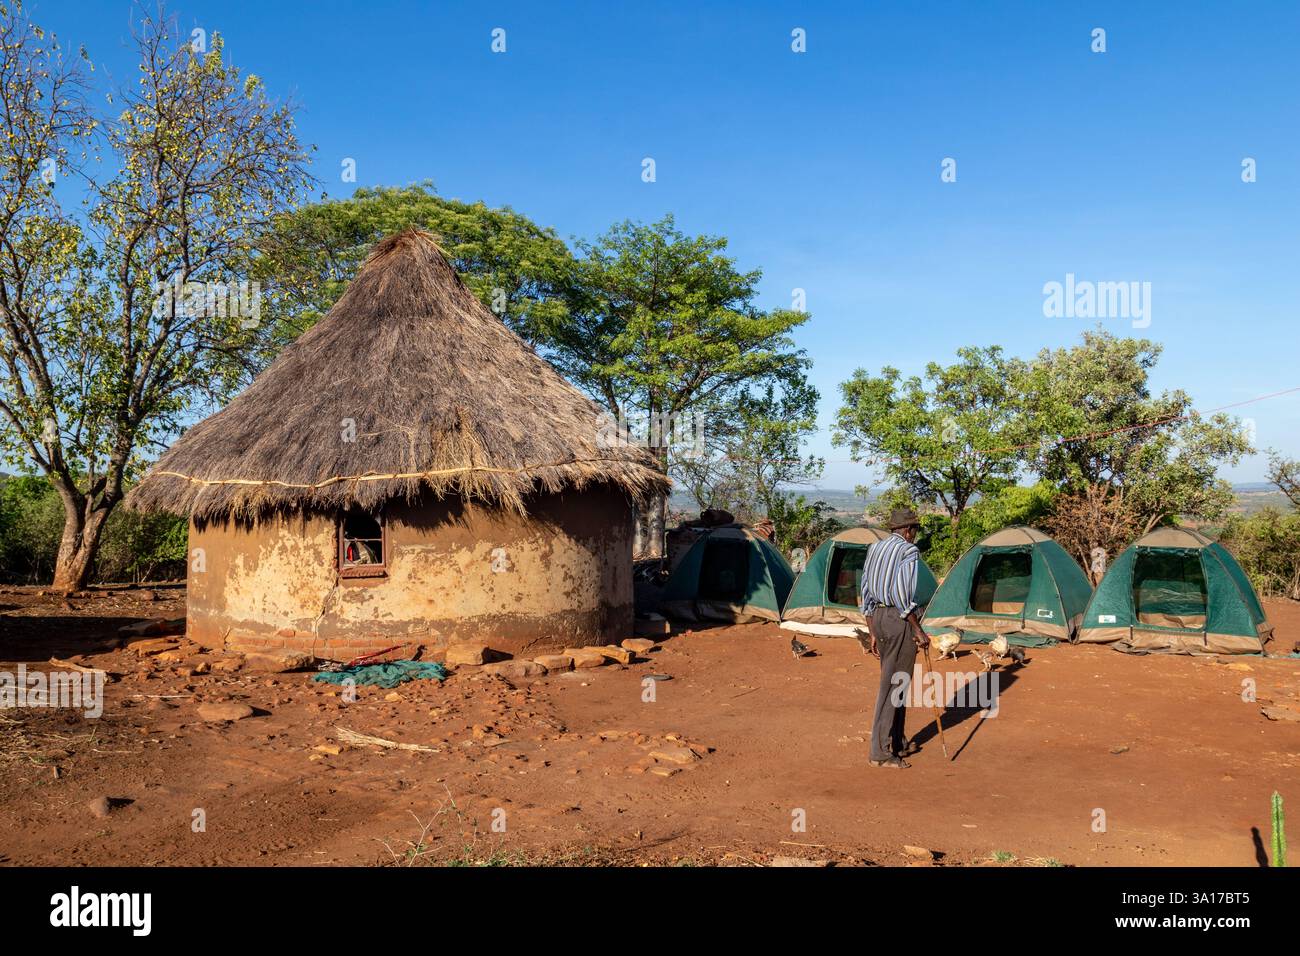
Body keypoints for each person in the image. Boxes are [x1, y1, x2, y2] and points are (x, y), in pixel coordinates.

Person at [860, 507, 930, 769]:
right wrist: (917, 629)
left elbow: (865, 591)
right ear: (908, 531)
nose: (915, 536)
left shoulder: (874, 549)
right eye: (915, 530)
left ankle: (897, 741)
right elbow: (902, 595)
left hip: (879, 619)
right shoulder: (908, 551)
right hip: (898, 620)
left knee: (895, 682)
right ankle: (879, 752)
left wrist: (872, 630)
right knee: (893, 686)